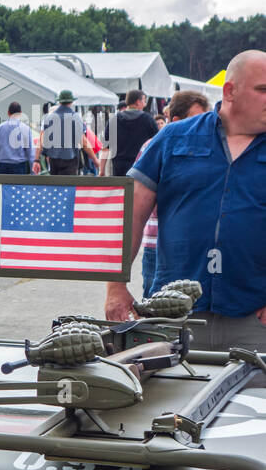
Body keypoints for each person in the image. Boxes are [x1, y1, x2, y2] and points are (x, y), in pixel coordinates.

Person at [104, 51, 266, 351]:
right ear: (230, 91)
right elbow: (131, 215)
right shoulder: (174, 138)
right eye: (263, 90)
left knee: (256, 399)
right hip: (175, 316)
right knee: (176, 395)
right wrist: (116, 286)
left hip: (254, 322)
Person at [135, 90, 212, 298]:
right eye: (197, 119)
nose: (204, 126)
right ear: (176, 120)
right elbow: (141, 202)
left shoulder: (211, 149)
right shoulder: (153, 145)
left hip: (194, 249)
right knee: (155, 307)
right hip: (156, 245)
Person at [39, 90, 97, 176]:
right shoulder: (75, 118)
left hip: (53, 160)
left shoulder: (49, 118)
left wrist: (37, 159)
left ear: (59, 101)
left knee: (55, 187)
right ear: (71, 102)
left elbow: (42, 141)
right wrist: (95, 159)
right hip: (70, 159)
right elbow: (83, 142)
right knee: (68, 186)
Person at [104, 89, 158, 177]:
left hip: (119, 169)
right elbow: (157, 143)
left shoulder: (114, 120)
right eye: (144, 101)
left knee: (121, 190)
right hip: (141, 167)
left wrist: (101, 171)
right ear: (138, 102)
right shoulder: (148, 120)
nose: (145, 104)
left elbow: (106, 148)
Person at [0, 102, 38, 175]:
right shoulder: (25, 129)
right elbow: (31, 152)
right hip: (20, 167)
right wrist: (33, 173)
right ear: (21, 113)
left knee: (3, 186)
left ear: (8, 112)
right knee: (19, 186)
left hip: (2, 166)